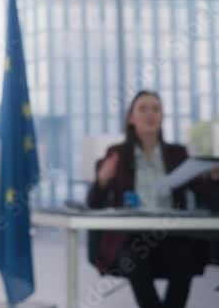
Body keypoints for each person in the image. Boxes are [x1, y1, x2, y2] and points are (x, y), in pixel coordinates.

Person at [86, 90, 219, 308]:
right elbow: (93, 204)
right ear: (131, 118)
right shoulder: (117, 154)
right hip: (129, 239)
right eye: (143, 109)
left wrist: (213, 178)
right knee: (135, 259)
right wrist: (102, 180)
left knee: (183, 258)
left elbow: (205, 193)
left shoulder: (178, 154)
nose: (150, 114)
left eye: (156, 109)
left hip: (170, 235)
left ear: (162, 116)